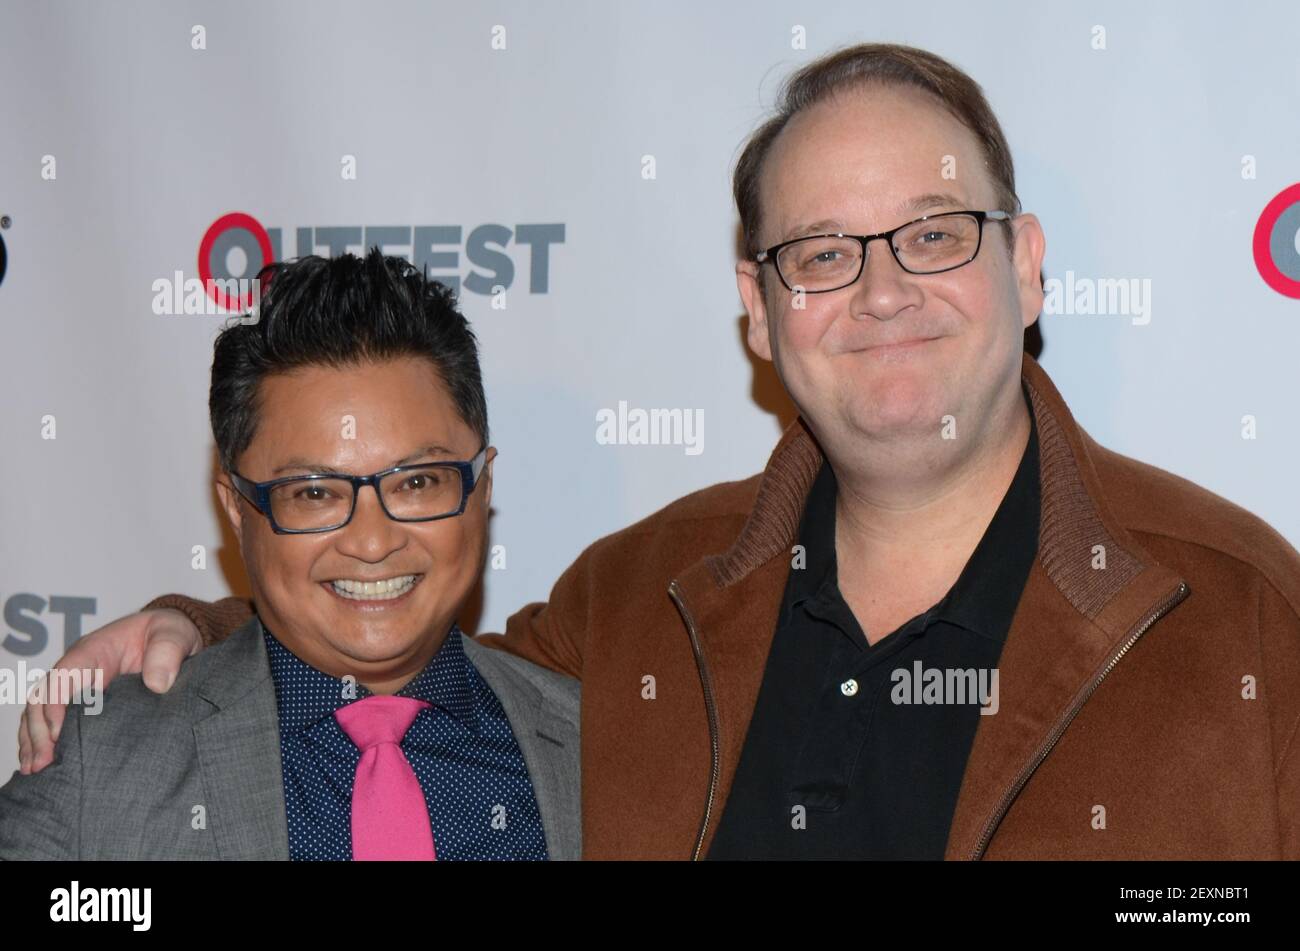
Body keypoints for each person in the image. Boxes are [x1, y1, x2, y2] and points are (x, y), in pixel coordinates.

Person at [19, 44, 1300, 860]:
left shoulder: (1246, 618)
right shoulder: (636, 607)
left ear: (1023, 268)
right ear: (757, 308)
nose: (881, 291)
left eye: (933, 234)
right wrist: (194, 620)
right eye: (819, 252)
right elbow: (385, 640)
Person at [1, 250, 580, 859]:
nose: (373, 541)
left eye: (416, 482)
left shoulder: (597, 749)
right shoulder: (108, 761)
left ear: (482, 486)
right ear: (234, 506)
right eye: (313, 493)